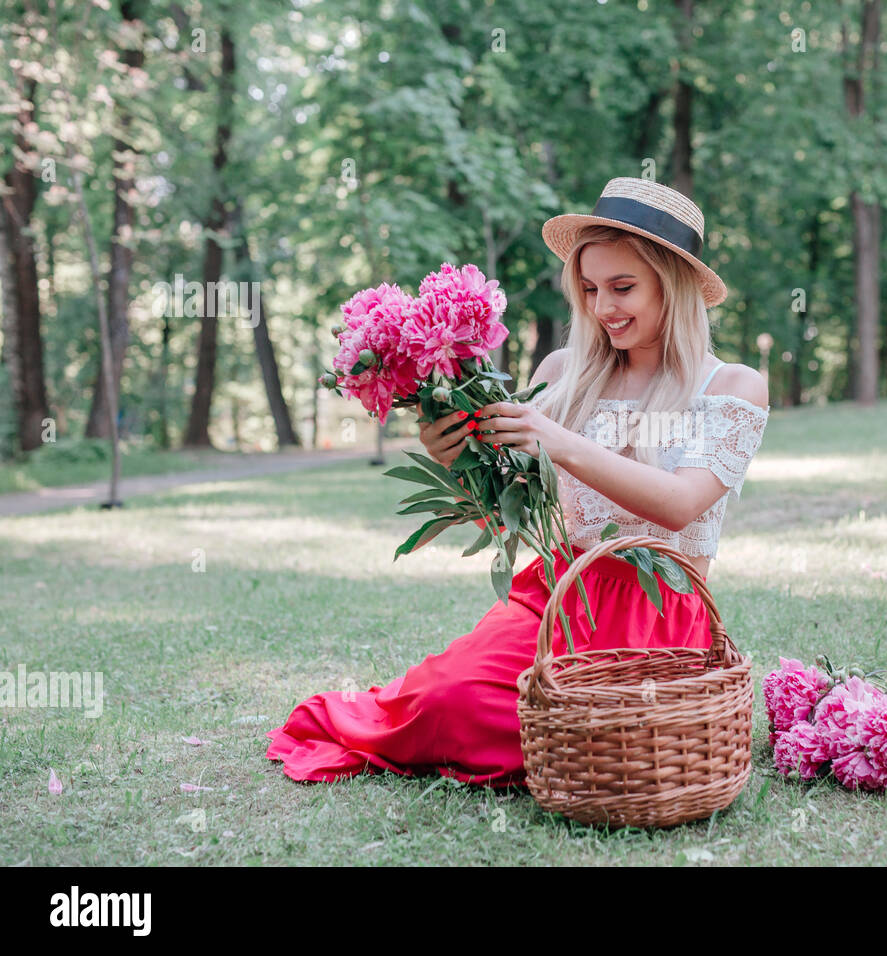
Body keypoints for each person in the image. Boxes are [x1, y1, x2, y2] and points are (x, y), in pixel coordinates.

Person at [265, 177, 771, 787]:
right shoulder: (563, 373)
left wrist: (558, 441)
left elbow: (680, 506)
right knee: (444, 701)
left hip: (657, 615)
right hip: (557, 592)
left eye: (623, 287)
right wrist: (454, 458)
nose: (604, 306)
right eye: (589, 289)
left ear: (675, 285)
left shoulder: (730, 387)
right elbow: (512, 516)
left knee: (606, 733)